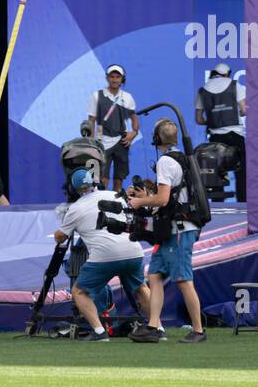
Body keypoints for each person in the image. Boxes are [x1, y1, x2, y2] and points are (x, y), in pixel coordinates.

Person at [128, 118, 206, 343]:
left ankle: (199, 331)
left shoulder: (165, 162)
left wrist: (139, 203)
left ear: (156, 139)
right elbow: (171, 196)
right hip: (176, 227)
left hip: (180, 229)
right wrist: (146, 197)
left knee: (183, 280)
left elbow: (162, 199)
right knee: (154, 275)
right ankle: (153, 327)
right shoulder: (181, 158)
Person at [53, 166, 150, 342]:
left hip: (105, 255)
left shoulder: (76, 208)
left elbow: (61, 237)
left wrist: (58, 231)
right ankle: (156, 327)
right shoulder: (113, 194)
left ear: (74, 189)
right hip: (133, 250)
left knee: (79, 291)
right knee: (141, 288)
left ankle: (99, 332)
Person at [195, 62, 247, 202]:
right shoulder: (235, 85)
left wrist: (213, 119)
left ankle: (218, 203)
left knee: (216, 171)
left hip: (215, 137)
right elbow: (244, 110)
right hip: (235, 134)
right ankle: (243, 201)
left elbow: (199, 120)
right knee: (241, 171)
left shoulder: (203, 90)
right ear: (228, 74)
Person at [86, 64, 139, 192]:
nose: (114, 79)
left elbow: (134, 117)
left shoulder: (127, 97)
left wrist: (134, 133)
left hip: (121, 141)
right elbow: (91, 121)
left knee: (119, 178)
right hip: (102, 141)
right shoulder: (96, 96)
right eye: (112, 76)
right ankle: (101, 204)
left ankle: (116, 207)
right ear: (107, 78)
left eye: (117, 76)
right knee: (102, 178)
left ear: (122, 79)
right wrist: (93, 142)